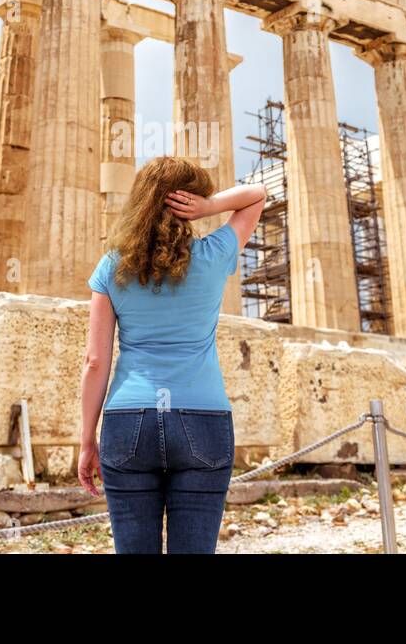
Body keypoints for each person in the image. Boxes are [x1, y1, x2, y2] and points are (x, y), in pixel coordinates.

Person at [77, 155, 267, 554]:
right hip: (203, 419)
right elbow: (256, 196)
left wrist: (85, 441)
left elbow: (96, 360)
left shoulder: (112, 267)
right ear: (188, 205)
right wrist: (211, 207)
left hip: (128, 421)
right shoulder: (214, 254)